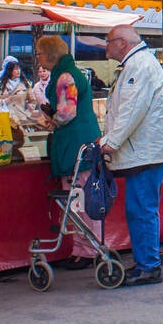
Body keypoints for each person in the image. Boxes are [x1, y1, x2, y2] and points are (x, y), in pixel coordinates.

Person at [101, 26, 163, 287]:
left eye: (109, 41)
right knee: (142, 208)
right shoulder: (139, 63)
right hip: (147, 149)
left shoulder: (138, 67)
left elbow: (131, 111)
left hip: (146, 152)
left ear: (122, 43)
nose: (106, 46)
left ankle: (148, 266)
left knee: (141, 209)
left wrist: (110, 143)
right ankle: (147, 262)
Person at [36, 35, 101, 270]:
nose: (38, 59)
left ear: (50, 55)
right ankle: (84, 248)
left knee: (79, 197)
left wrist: (51, 119)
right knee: (81, 197)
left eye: (39, 53)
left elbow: (66, 113)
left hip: (75, 144)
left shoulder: (65, 76)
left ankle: (87, 250)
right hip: (81, 140)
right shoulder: (69, 72)